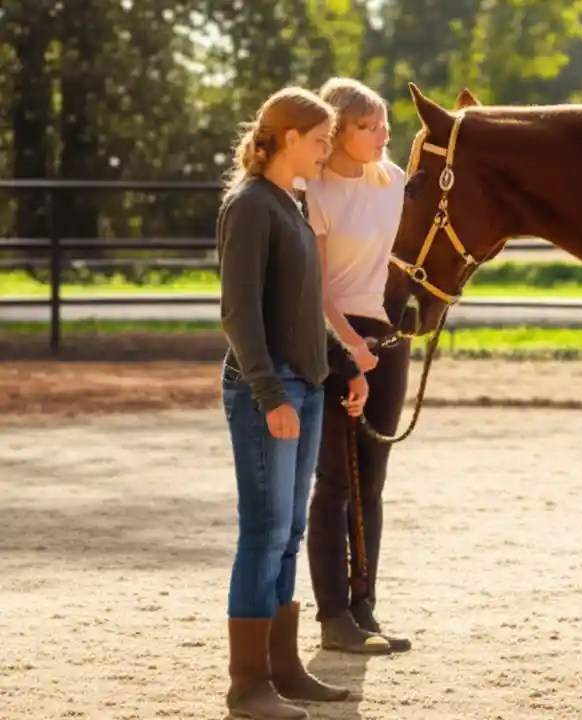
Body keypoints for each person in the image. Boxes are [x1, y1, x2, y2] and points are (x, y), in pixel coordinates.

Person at [218, 85, 369, 719]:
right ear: (287, 138)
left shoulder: (291, 201)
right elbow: (239, 313)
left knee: (291, 531)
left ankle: (283, 669)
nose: (325, 150)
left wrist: (345, 364)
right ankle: (248, 684)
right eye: (318, 140)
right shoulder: (250, 206)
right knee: (264, 532)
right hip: (268, 391)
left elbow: (305, 305)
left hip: (305, 386)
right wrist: (270, 392)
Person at [304, 77, 412, 654]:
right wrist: (350, 349)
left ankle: (364, 604)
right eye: (368, 126)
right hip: (328, 336)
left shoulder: (392, 182)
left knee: (373, 476)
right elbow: (314, 286)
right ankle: (333, 616)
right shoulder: (313, 190)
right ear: (338, 132)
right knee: (335, 481)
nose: (382, 133)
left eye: (383, 123)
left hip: (382, 334)